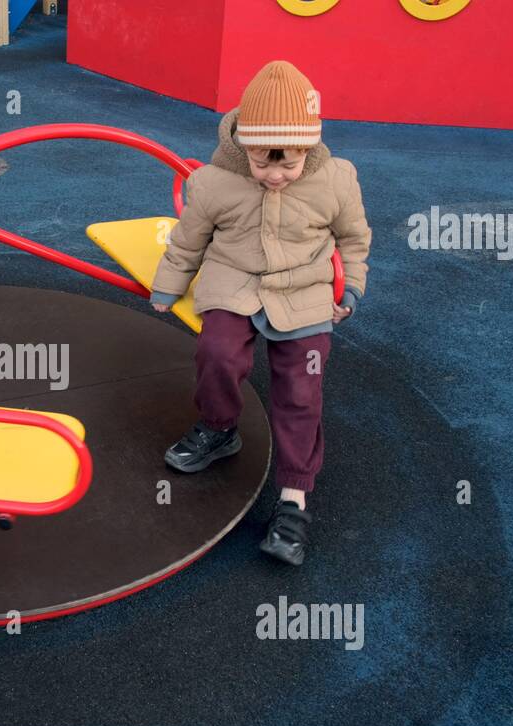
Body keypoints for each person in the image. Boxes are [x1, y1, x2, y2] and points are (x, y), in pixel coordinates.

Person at [152, 60, 371, 566]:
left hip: (305, 290)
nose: (275, 175)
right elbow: (188, 242)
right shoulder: (213, 183)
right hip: (235, 282)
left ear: (310, 149)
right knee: (218, 352)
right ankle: (220, 425)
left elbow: (355, 240)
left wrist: (351, 287)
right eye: (262, 163)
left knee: (301, 385)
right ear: (242, 146)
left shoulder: (335, 181)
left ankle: (294, 497)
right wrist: (169, 285)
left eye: (289, 164)